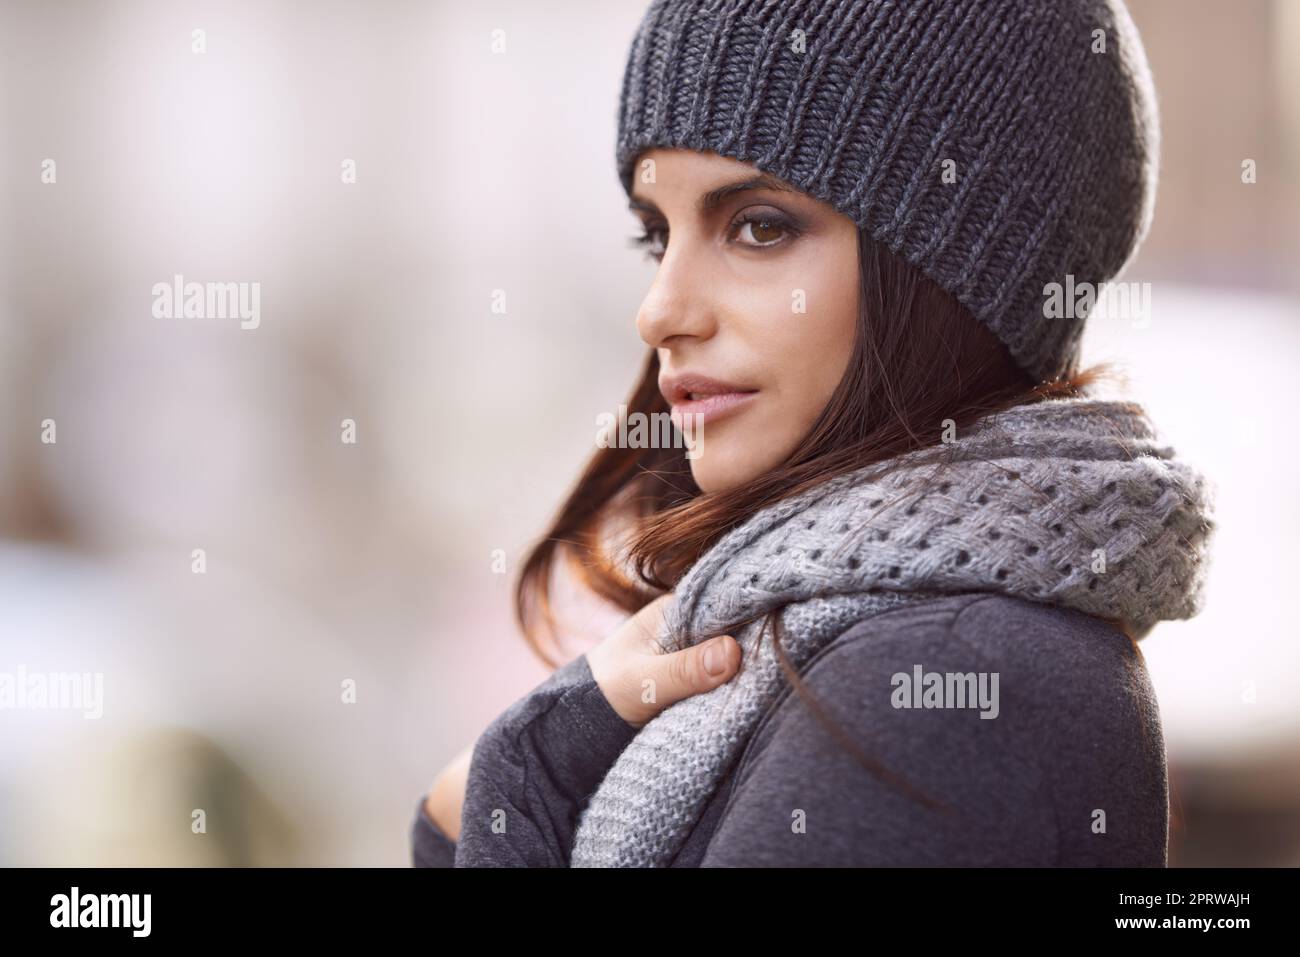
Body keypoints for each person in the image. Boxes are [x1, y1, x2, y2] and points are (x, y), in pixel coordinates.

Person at [412, 0, 1216, 867]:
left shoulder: (937, 686)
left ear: (949, 277)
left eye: (758, 226)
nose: (660, 311)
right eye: (657, 238)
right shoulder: (823, 638)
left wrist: (524, 774)